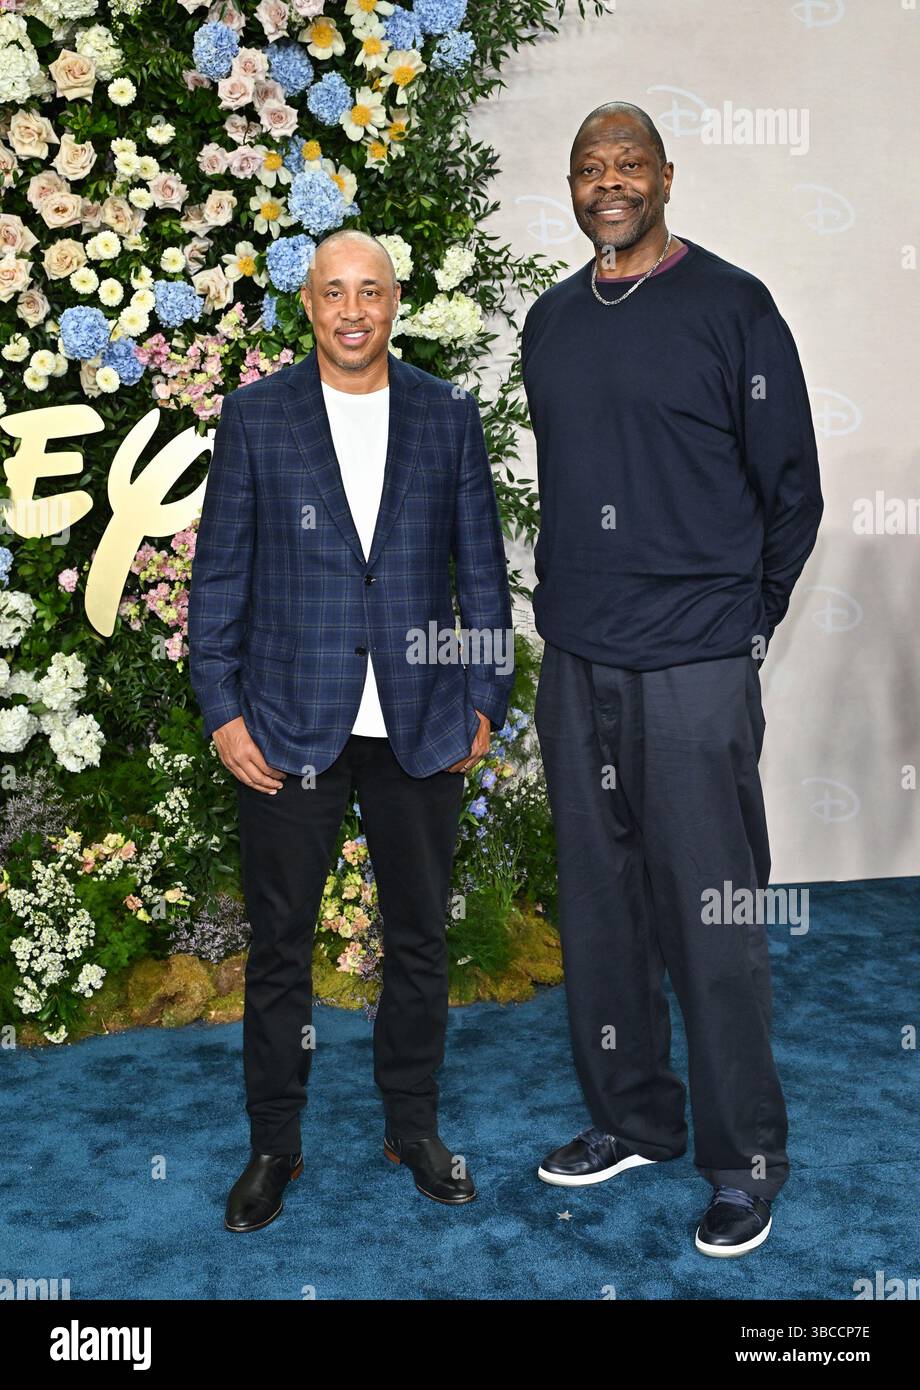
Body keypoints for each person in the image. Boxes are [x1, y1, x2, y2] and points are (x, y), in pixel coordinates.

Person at [522, 102, 823, 1256]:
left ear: (664, 177)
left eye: (628, 163)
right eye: (589, 166)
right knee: (599, 915)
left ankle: (742, 1157)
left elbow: (787, 491)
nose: (609, 182)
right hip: (579, 656)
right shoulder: (550, 319)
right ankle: (631, 1116)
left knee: (711, 919)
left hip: (693, 663)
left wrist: (739, 627)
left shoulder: (733, 308)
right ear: (572, 183)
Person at [188, 229, 514, 1232]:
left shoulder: (445, 412)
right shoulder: (256, 416)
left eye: (370, 290)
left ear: (395, 300)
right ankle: (273, 1145)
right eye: (333, 292)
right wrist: (223, 709)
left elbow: (481, 574)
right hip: (288, 722)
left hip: (420, 721)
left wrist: (483, 696)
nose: (352, 309)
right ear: (308, 307)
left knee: (418, 938)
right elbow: (220, 577)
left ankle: (409, 1124)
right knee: (280, 945)